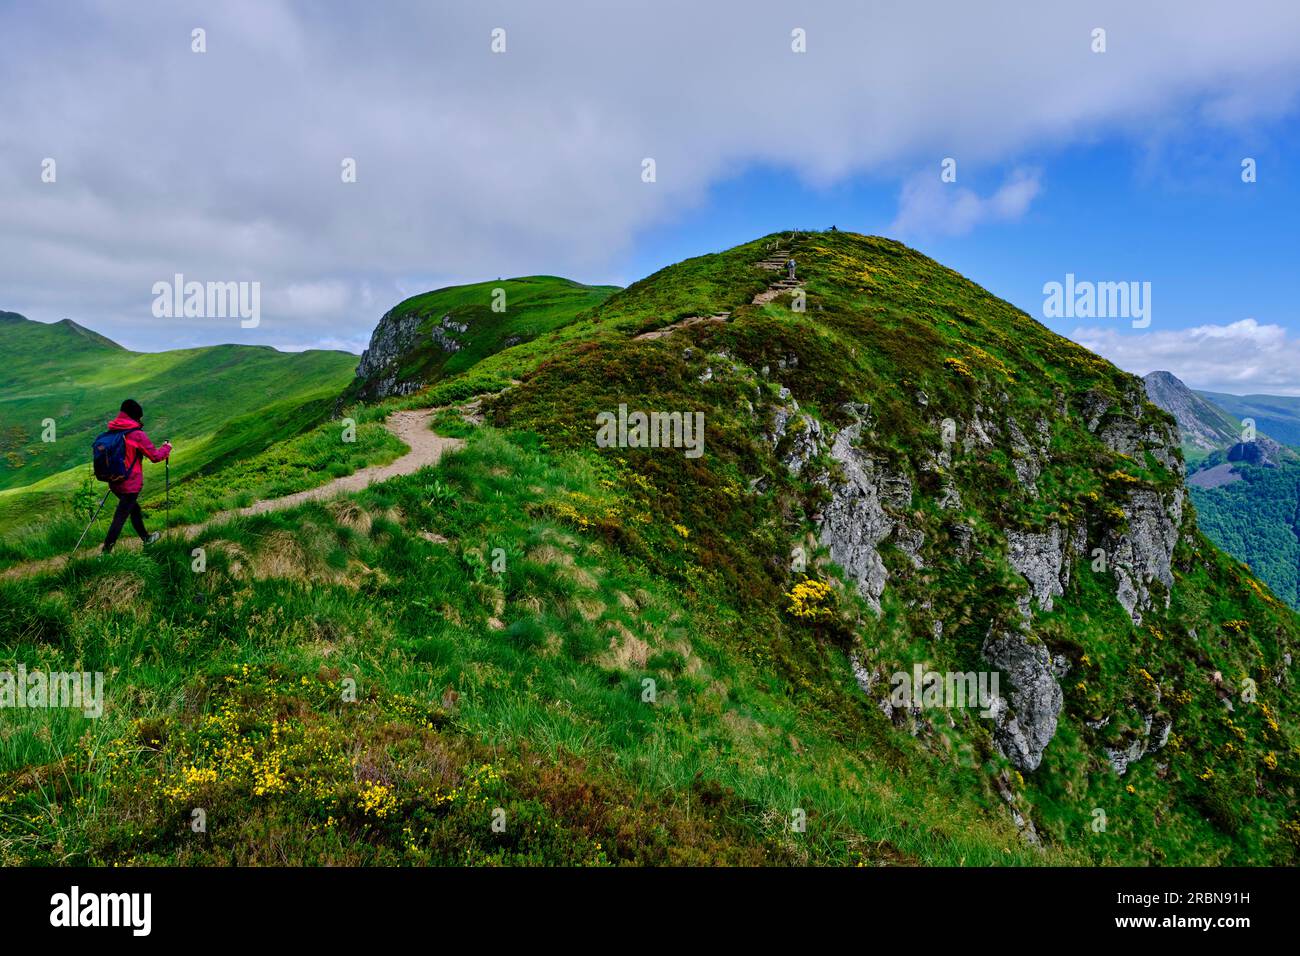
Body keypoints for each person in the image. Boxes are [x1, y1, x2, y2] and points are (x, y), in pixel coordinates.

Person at [101, 399, 171, 553]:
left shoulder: (113, 431)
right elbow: (155, 457)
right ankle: (105, 553)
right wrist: (167, 448)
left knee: (134, 508)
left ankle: (146, 538)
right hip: (130, 484)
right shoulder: (136, 434)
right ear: (135, 417)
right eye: (139, 417)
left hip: (114, 481)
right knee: (120, 517)